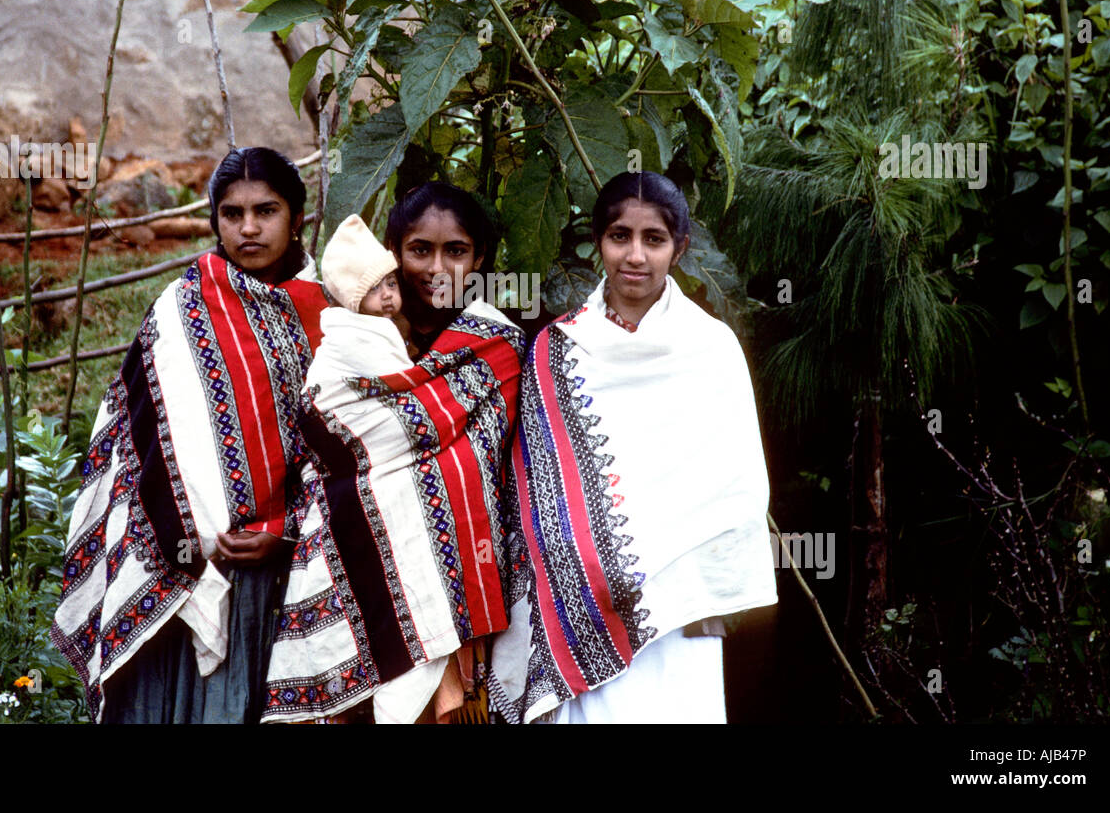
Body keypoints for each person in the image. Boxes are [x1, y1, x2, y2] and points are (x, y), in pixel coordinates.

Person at [486, 171, 778, 723]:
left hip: (679, 606)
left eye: (655, 239)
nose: (635, 256)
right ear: (598, 241)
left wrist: (683, 577)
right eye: (620, 236)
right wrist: (591, 574)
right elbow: (538, 496)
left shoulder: (711, 347)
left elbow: (739, 486)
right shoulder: (558, 348)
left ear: (680, 247)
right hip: (581, 608)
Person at [52, 147, 327, 723]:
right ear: (214, 221)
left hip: (287, 567)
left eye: (266, 210)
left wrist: (283, 532)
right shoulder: (181, 308)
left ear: (296, 217)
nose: (248, 228)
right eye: (232, 214)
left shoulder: (329, 314)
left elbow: (347, 447)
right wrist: (187, 532)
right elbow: (134, 436)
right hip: (177, 568)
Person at [261, 190, 526, 723]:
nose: (437, 267)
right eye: (418, 250)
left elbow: (494, 472)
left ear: (479, 260)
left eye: (456, 251)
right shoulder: (349, 343)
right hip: (353, 576)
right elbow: (323, 444)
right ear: (392, 254)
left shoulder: (498, 349)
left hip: (454, 594)